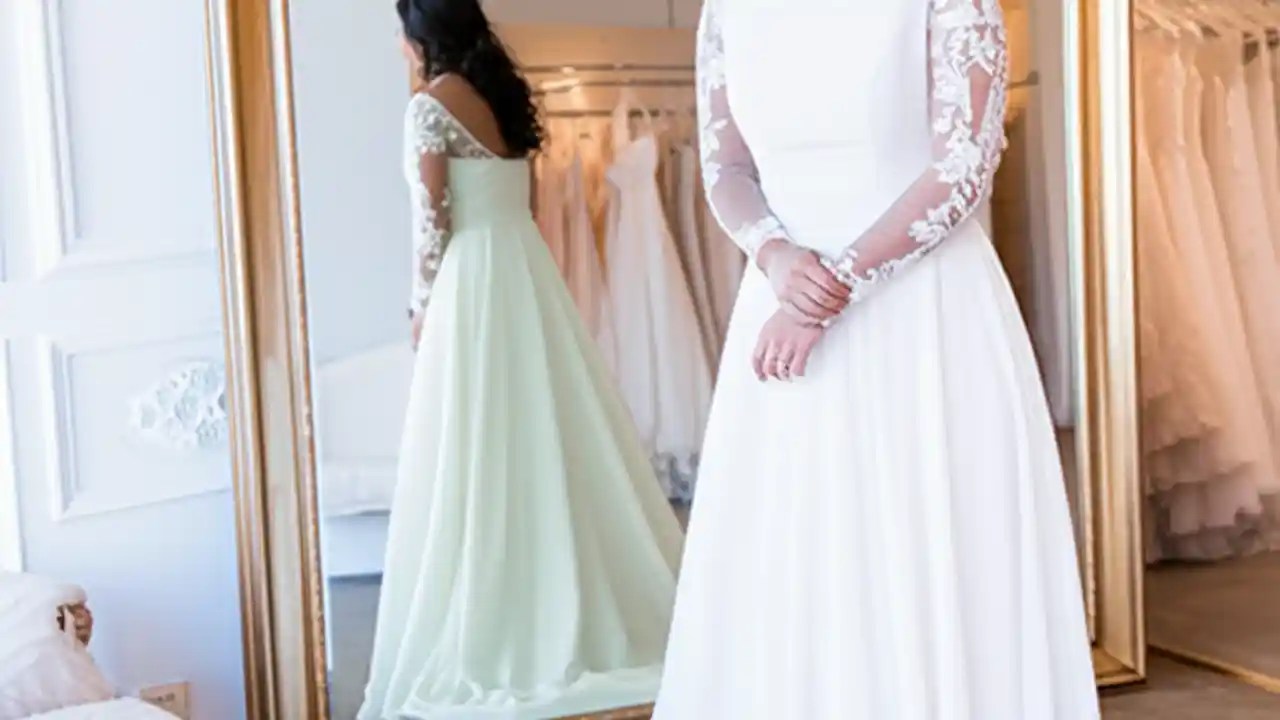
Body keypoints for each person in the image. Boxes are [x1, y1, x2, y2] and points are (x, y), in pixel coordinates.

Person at [652, 0, 1101, 718]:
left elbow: (962, 168)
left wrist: (828, 291)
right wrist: (773, 254)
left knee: (933, 555)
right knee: (795, 553)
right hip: (782, 298)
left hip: (922, 311)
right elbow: (725, 168)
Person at [357, 2, 684, 717]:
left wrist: (421, 306)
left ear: (418, 34)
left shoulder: (428, 107)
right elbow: (526, 202)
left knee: (475, 448)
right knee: (546, 434)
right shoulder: (504, 98)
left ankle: (500, 605)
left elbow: (432, 221)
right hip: (524, 271)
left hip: (471, 282)